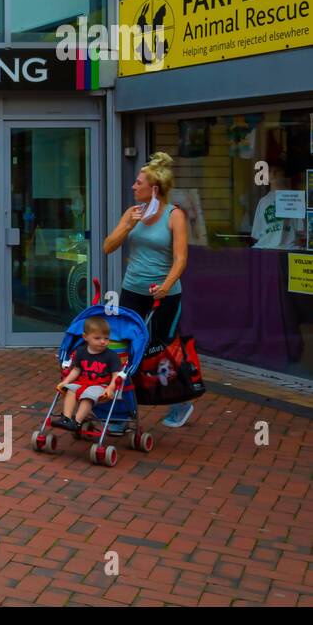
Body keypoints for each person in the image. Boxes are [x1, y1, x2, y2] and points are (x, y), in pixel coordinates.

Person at [103, 152, 194, 427]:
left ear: (154, 188)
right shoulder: (132, 213)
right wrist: (127, 226)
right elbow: (108, 247)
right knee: (125, 347)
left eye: (138, 182)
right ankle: (121, 411)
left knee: (164, 349)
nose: (133, 186)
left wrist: (166, 287)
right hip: (132, 290)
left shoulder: (174, 216)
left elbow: (181, 259)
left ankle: (182, 401)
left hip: (165, 294)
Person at [53, 316, 122, 431]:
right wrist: (66, 381)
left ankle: (77, 422)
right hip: (82, 382)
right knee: (70, 389)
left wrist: (110, 388)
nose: (103, 341)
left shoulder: (111, 356)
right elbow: (76, 370)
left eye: (106, 338)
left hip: (101, 386)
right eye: (97, 338)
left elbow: (116, 375)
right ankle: (66, 418)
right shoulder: (81, 351)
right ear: (85, 337)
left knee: (88, 396)